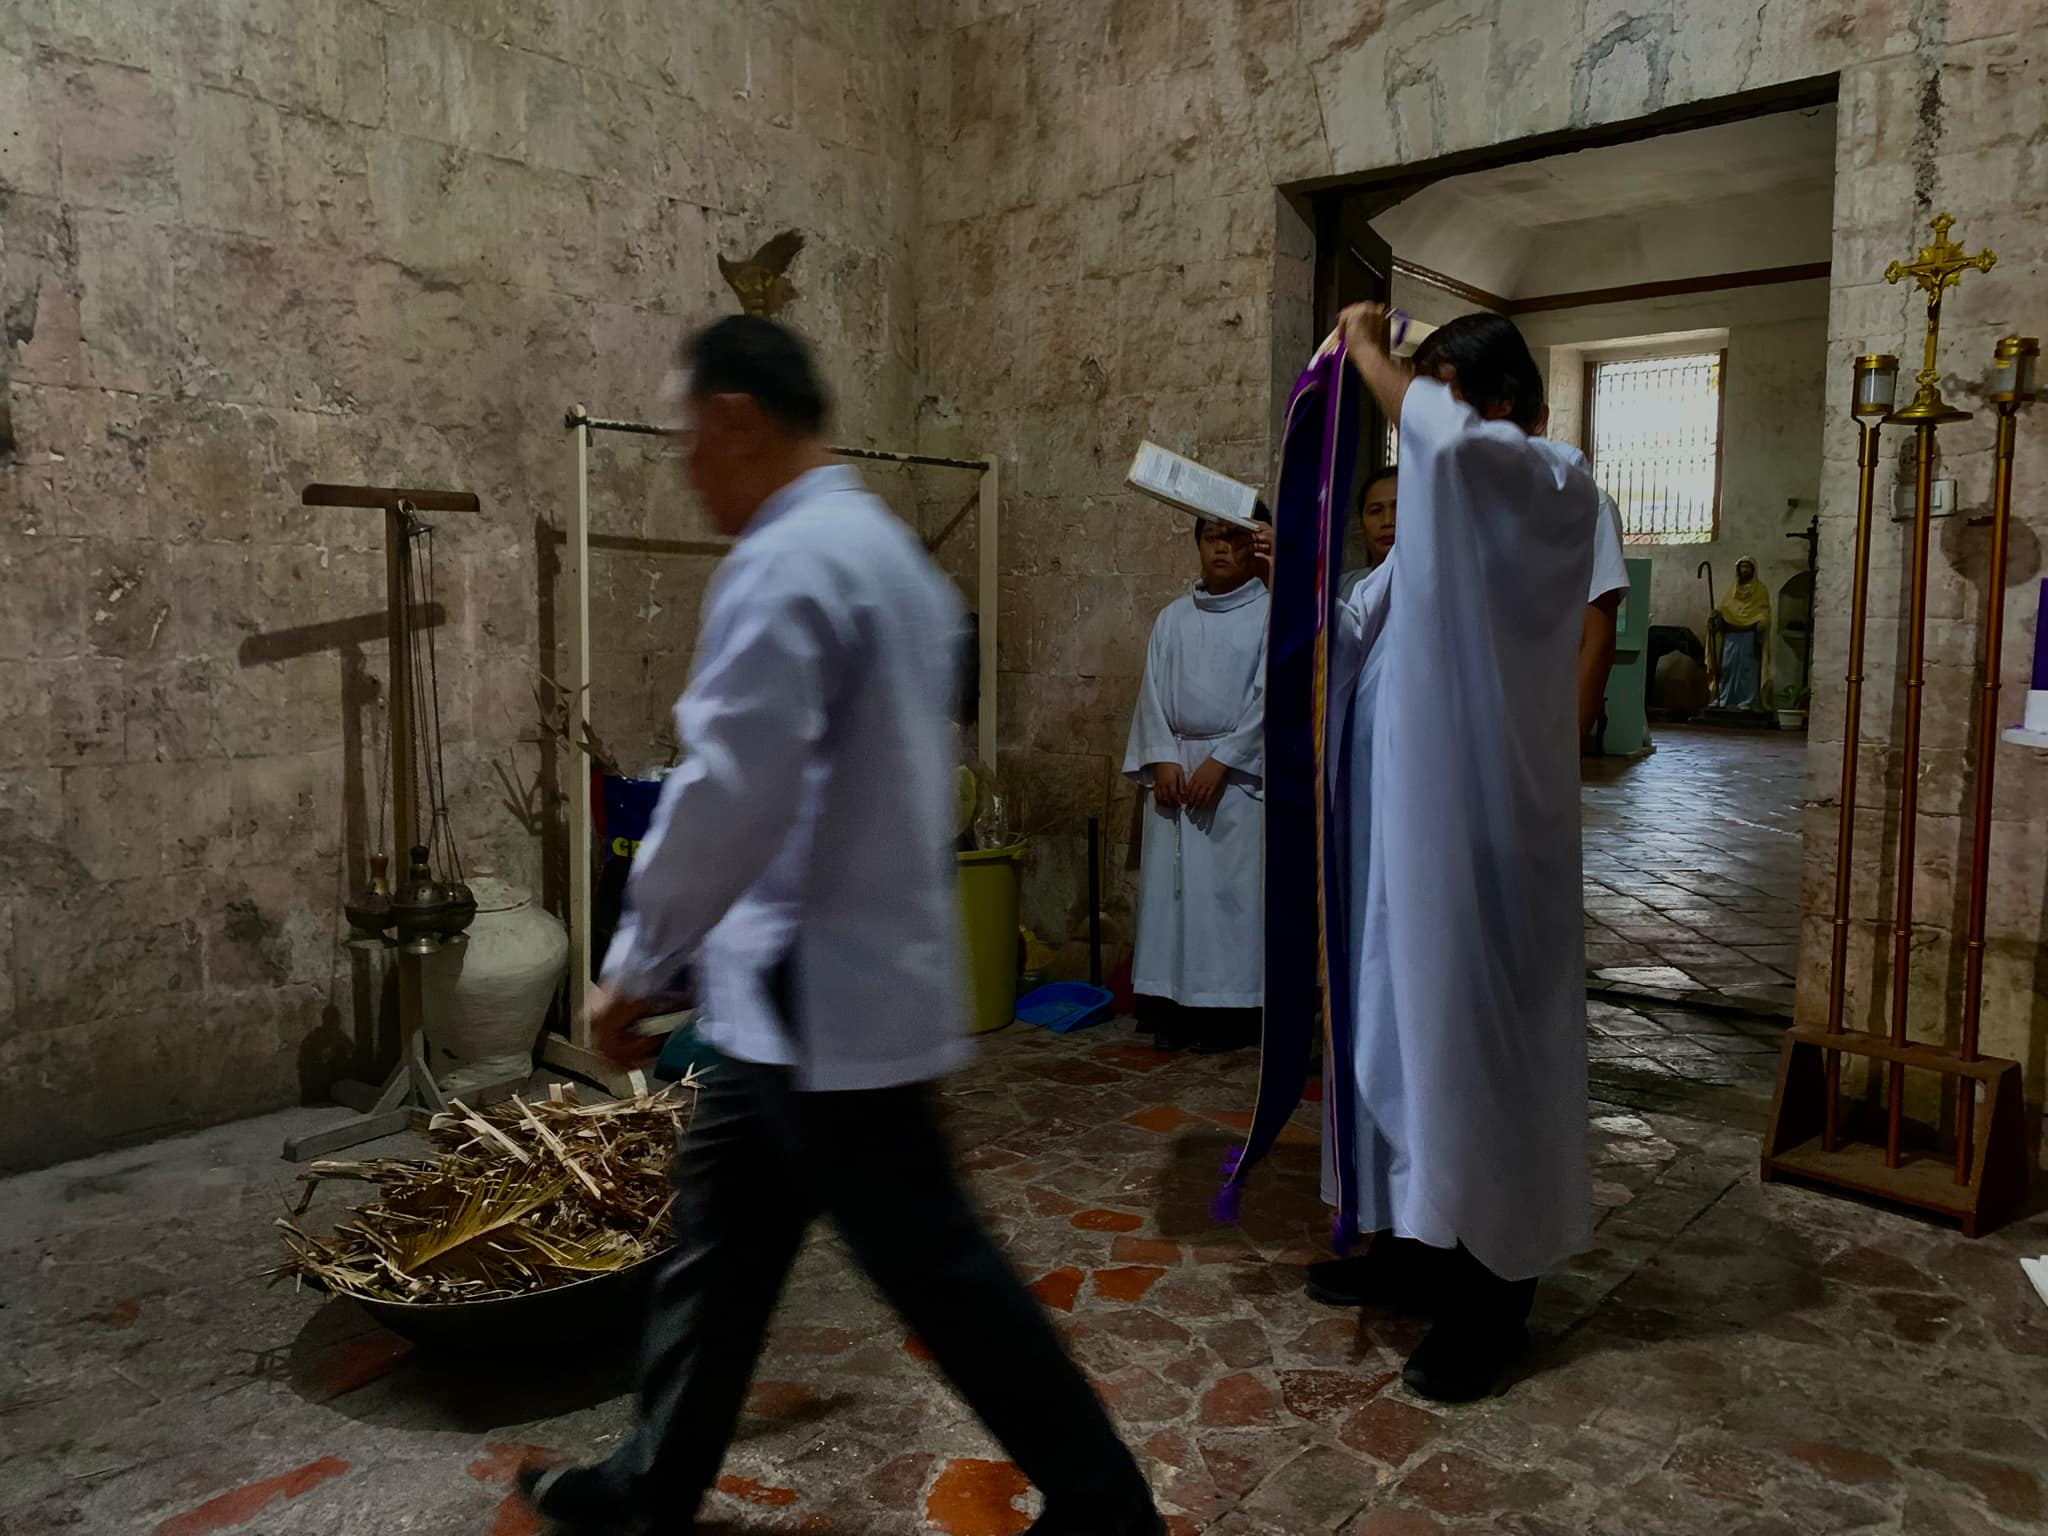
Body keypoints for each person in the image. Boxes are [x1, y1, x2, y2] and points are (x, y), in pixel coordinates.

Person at [518, 316, 1161, 1536]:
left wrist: (630, 965)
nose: (685, 471)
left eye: (683, 444)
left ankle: (1103, 1505)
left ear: (734, 420)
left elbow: (725, 794)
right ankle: (649, 1487)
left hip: (817, 1002)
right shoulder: (888, 556)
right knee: (717, 1255)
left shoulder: (783, 563)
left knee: (943, 1274)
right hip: (812, 991)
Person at [1301, 306, 1600, 1402]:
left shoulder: (1550, 483)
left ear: (1511, 401)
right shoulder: (1429, 536)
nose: (1431, 411)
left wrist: (1370, 355)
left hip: (1481, 847)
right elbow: (1347, 624)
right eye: (1421, 388)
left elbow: (1458, 449)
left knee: (1480, 1056)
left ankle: (1491, 1302)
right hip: (1401, 850)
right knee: (1404, 1036)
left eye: (1450, 388)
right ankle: (1413, 1251)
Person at [1123, 511, 1269, 1053]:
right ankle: (1171, 1004)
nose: (1222, 549)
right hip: (1177, 773)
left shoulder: (1270, 614)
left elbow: (1272, 696)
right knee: (1175, 899)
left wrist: (1224, 759)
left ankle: (1230, 1012)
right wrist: (1162, 757)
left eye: (1234, 538)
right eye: (1212, 538)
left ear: (1255, 545)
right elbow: (1151, 694)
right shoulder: (1172, 618)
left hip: (1236, 779)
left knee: (1231, 901)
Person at [1711, 556, 1771, 709]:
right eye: (1742, 567)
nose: (1744, 570)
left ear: (1753, 569)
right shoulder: (1731, 590)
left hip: (1749, 635)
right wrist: (1716, 614)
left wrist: (1761, 620)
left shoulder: (1760, 590)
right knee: (1727, 666)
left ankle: (1747, 700)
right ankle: (1724, 698)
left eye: (1747, 567)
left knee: (1747, 669)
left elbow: (1763, 610)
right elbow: (1723, 607)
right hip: (1731, 634)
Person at [1339, 469, 1398, 603]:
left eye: (1399, 508)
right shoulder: (1341, 589)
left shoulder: (1441, 585)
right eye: (1375, 511)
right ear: (1361, 522)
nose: (1388, 521)